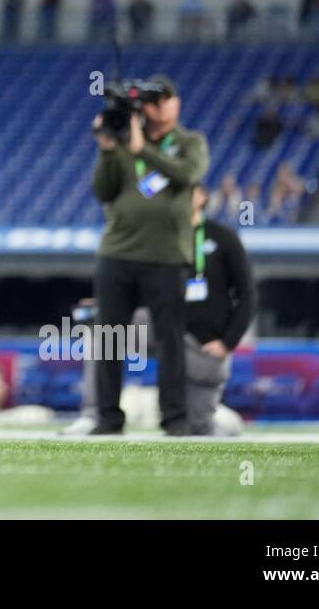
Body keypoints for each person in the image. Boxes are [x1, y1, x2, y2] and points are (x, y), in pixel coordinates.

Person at [89, 74, 209, 435]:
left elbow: (188, 175)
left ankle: (174, 420)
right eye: (151, 101)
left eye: (164, 99)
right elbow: (103, 191)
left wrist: (143, 150)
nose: (157, 107)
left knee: (170, 341)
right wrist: (109, 148)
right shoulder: (124, 140)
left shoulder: (190, 142)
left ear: (176, 105)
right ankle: (108, 418)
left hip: (167, 256)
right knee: (110, 337)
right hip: (118, 253)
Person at [185, 184, 254, 436]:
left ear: (202, 195)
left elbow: (247, 296)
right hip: (169, 337)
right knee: (106, 329)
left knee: (199, 426)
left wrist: (227, 342)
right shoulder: (162, 239)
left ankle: (225, 420)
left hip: (205, 345)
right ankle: (96, 413)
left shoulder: (222, 237)